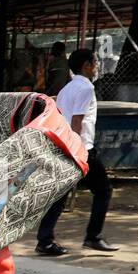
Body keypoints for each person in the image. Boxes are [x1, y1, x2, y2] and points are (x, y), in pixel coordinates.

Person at [37, 48, 118, 255]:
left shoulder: (67, 89)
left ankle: (45, 240)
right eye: (95, 63)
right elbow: (77, 121)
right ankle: (92, 237)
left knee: (60, 195)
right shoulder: (86, 88)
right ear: (86, 66)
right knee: (103, 190)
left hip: (64, 146)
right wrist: (78, 149)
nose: (97, 67)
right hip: (81, 148)